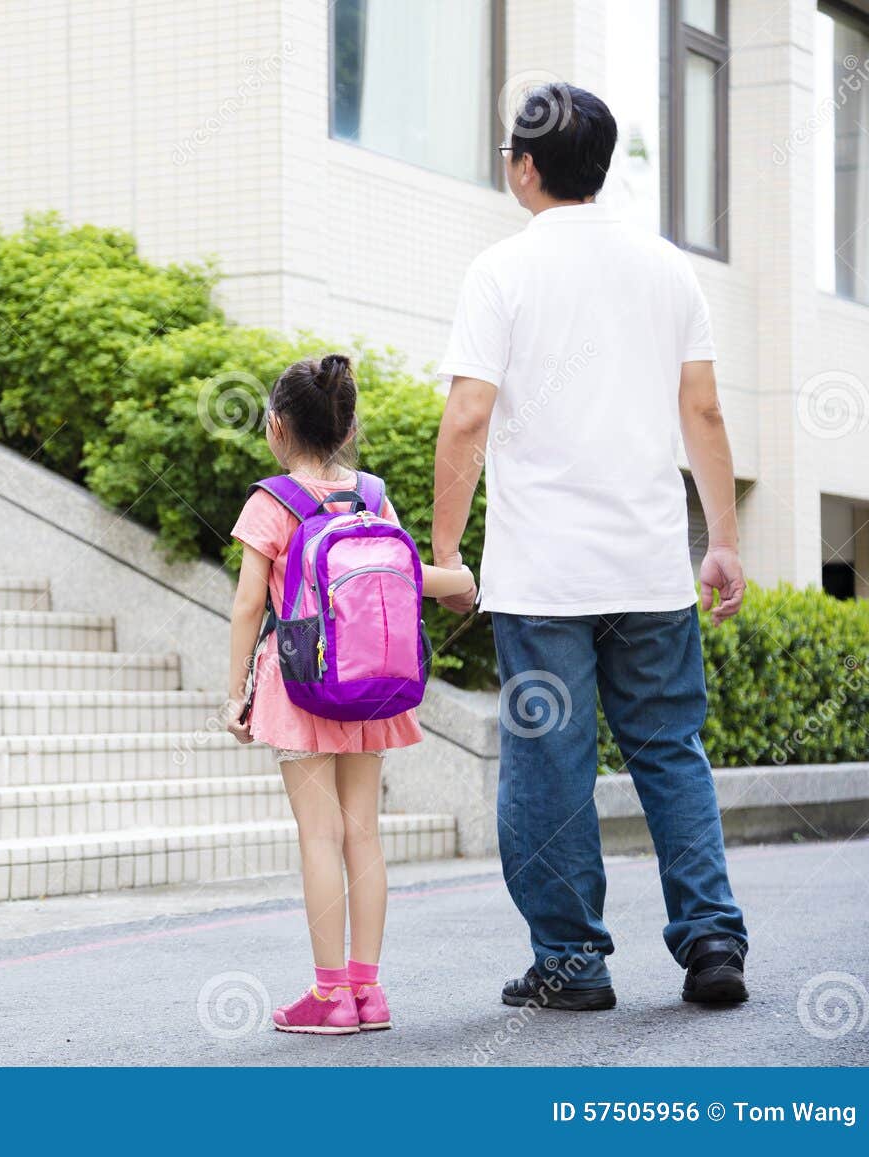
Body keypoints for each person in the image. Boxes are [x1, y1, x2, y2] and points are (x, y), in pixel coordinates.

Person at [432, 82, 750, 1010]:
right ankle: (712, 943)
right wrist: (721, 540)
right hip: (650, 565)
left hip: (543, 578)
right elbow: (704, 410)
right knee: (670, 750)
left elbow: (467, 417)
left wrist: (447, 549)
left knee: (549, 763)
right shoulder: (669, 269)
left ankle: (571, 962)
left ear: (526, 167)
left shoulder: (501, 270)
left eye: (508, 152)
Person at [225, 353, 476, 1034]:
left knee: (319, 832)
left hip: (302, 681)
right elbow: (404, 573)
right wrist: (463, 579)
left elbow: (250, 603)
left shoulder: (271, 500)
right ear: (346, 425)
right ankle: (369, 991)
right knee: (363, 829)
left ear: (277, 427)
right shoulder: (372, 494)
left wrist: (234, 695)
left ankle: (329, 994)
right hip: (370, 679)